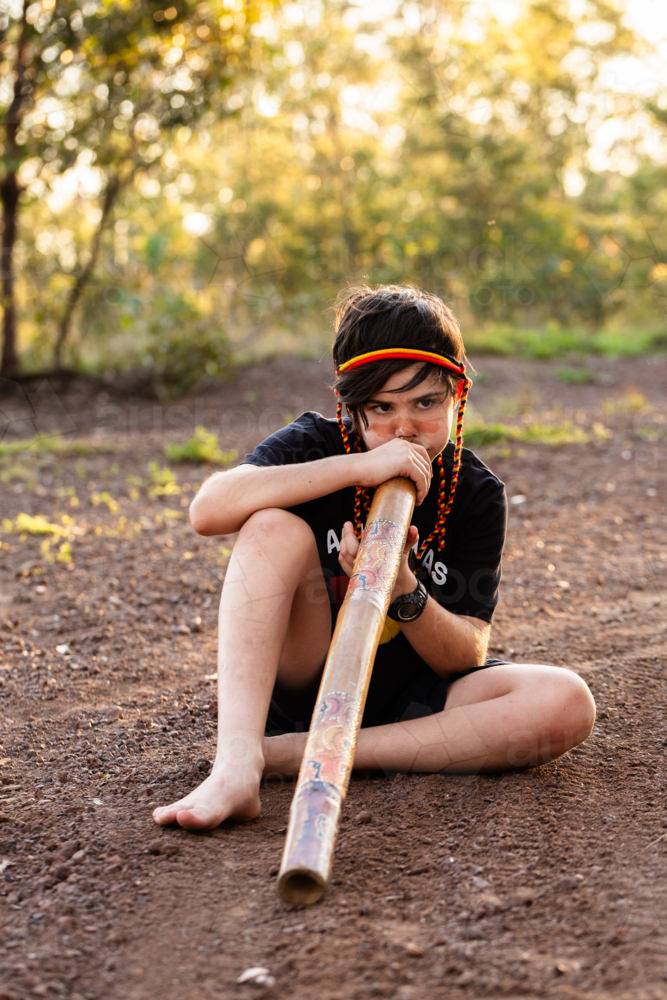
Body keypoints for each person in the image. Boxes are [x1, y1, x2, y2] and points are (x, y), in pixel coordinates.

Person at [153, 284, 595, 831]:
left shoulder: (475, 491)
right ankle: (238, 761)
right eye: (381, 408)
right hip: (305, 681)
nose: (403, 428)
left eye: (425, 404)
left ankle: (306, 753)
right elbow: (208, 511)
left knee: (565, 702)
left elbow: (463, 656)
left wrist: (402, 585)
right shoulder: (318, 443)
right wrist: (360, 468)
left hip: (414, 705)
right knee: (270, 527)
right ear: (348, 407)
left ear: (459, 397)